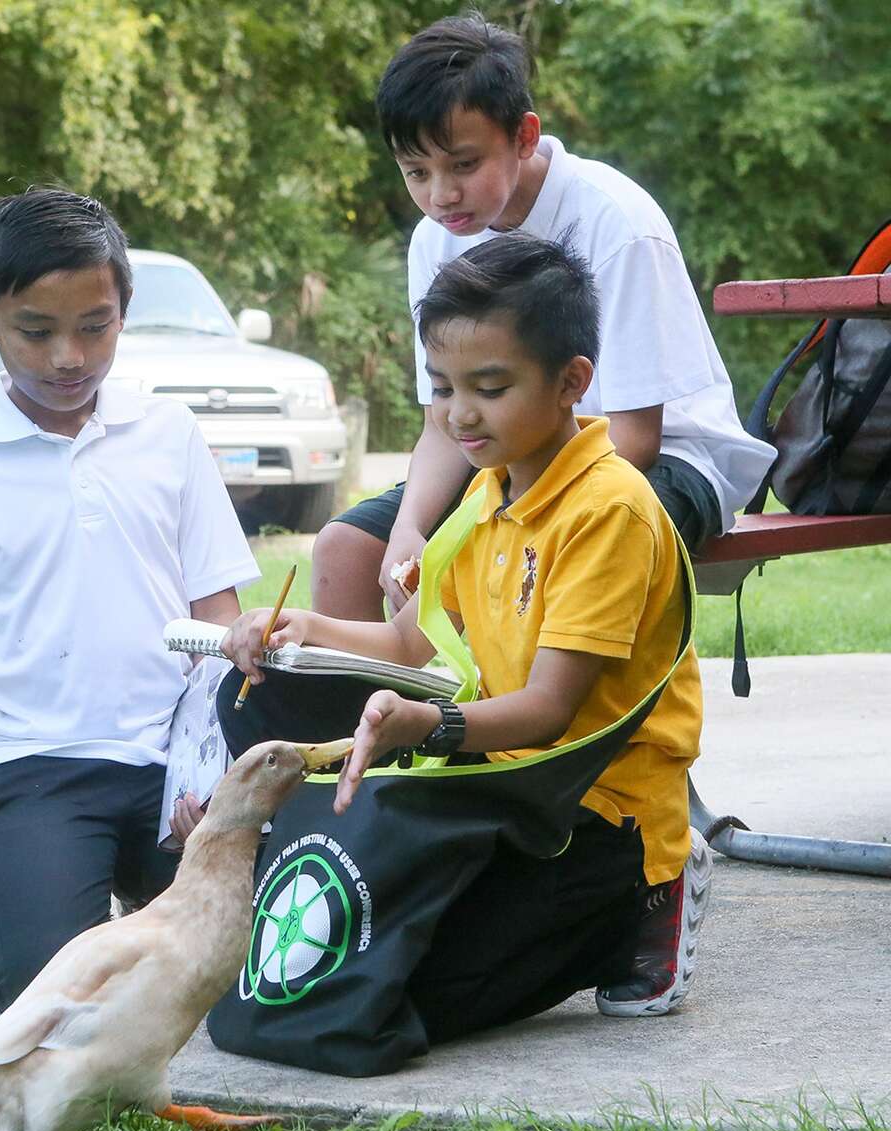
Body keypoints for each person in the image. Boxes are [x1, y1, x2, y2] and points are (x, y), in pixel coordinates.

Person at [223, 232, 711, 1029]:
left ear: (571, 383)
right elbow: (413, 645)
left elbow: (551, 711)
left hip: (593, 807)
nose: (459, 413)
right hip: (493, 781)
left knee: (416, 992)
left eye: (489, 386)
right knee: (345, 965)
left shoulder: (609, 508)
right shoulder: (486, 494)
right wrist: (300, 627)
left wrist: (431, 724)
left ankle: (651, 889)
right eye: (444, 387)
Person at [0, 189, 258, 1011]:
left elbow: (218, 619)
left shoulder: (168, 435)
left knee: (269, 959)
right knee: (39, 990)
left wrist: (213, 779)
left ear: (124, 310)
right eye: (36, 330)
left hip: (175, 766)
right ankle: (95, 887)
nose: (68, 356)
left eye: (94, 326)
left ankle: (146, 884)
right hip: (41, 769)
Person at [312, 13, 776, 621]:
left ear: (524, 136)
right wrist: (410, 526)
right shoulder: (434, 241)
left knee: (537, 557)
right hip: (512, 457)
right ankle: (365, 718)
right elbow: (443, 425)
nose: (441, 195)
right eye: (416, 172)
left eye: (463, 165)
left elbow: (636, 437)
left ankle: (516, 716)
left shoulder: (616, 223)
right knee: (348, 548)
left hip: (667, 463)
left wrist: (499, 517)